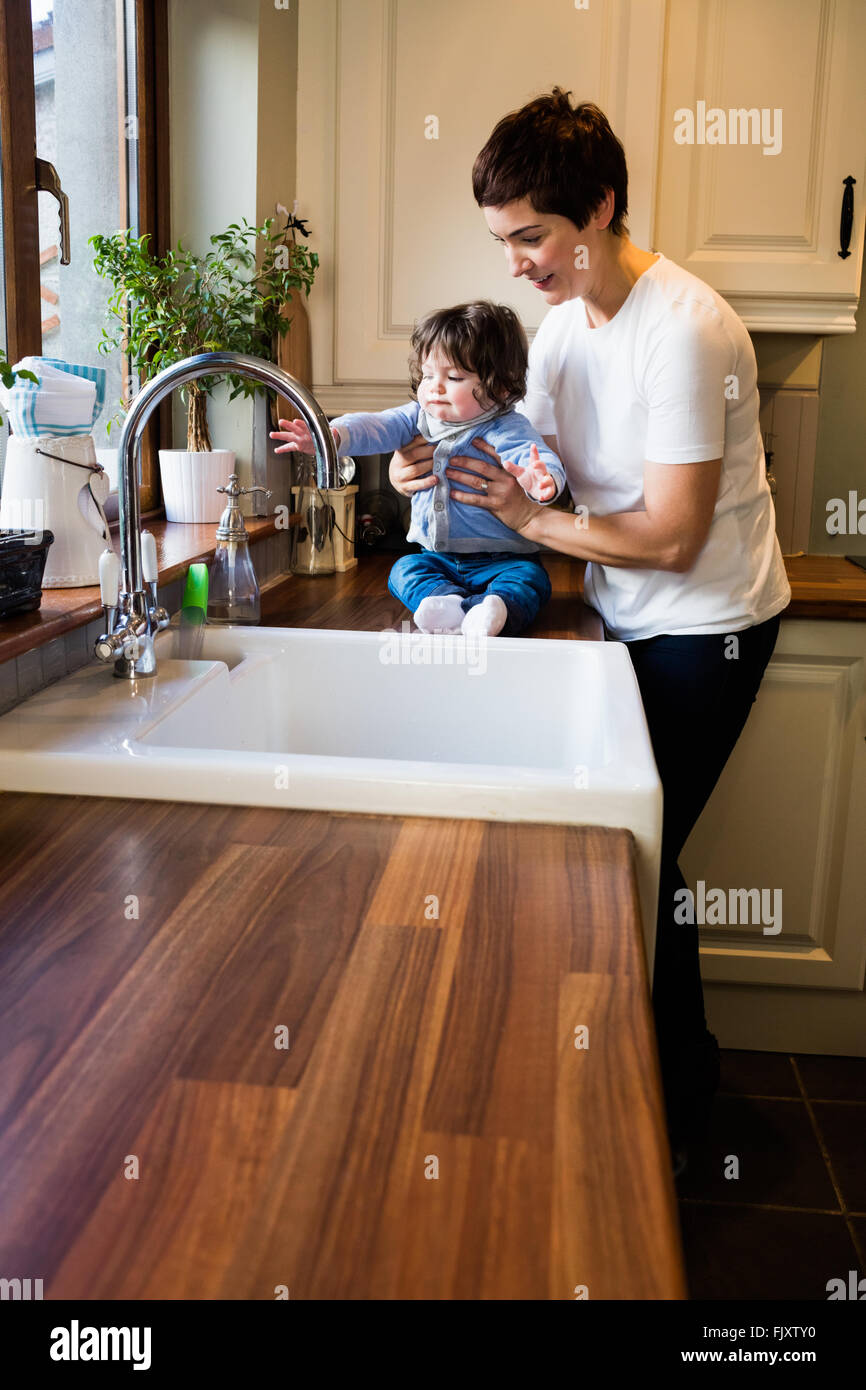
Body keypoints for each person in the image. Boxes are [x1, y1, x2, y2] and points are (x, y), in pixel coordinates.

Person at [388, 91, 792, 1172]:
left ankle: (665, 1111)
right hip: (620, 616)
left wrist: (527, 521)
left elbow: (667, 535)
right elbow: (529, 462)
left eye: (531, 236)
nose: (515, 263)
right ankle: (662, 1093)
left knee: (633, 854)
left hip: (706, 625)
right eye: (502, 240)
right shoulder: (562, 330)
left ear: (599, 208)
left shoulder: (689, 328)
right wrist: (420, 468)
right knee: (633, 854)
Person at [270, 300, 566, 636]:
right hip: (437, 559)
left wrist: (542, 480)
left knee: (531, 580)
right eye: (428, 375)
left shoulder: (506, 427)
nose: (435, 387)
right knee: (404, 570)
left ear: (500, 386)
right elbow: (377, 425)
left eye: (454, 376)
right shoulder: (418, 418)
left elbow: (535, 456)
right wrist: (332, 434)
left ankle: (494, 609)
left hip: (504, 561)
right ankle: (448, 604)